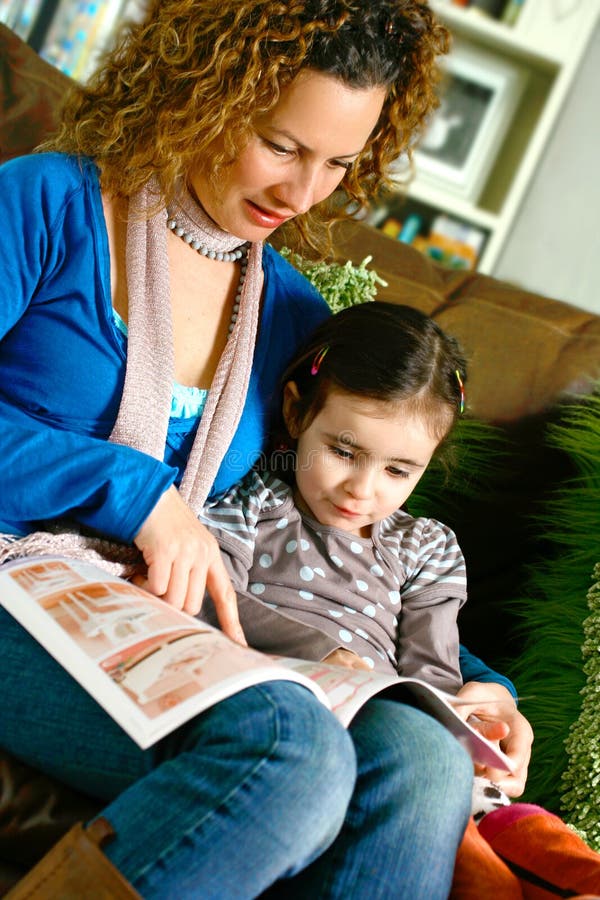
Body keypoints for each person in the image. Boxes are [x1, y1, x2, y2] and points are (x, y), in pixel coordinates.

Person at [0, 0, 530, 896]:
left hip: (155, 625)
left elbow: (341, 534)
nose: (303, 193)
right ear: (204, 93)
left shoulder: (289, 318)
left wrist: (480, 690)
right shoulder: (46, 202)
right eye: (281, 145)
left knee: (422, 761)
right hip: (16, 577)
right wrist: (135, 490)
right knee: (292, 748)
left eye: (338, 163)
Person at [197, 300, 600, 899]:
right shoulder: (257, 501)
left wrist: (470, 718)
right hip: (287, 703)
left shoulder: (426, 546)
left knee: (514, 822)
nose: (363, 489)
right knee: (445, 820)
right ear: (294, 411)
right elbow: (210, 595)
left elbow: (432, 666)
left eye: (399, 470)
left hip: (399, 721)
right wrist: (323, 653)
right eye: (344, 451)